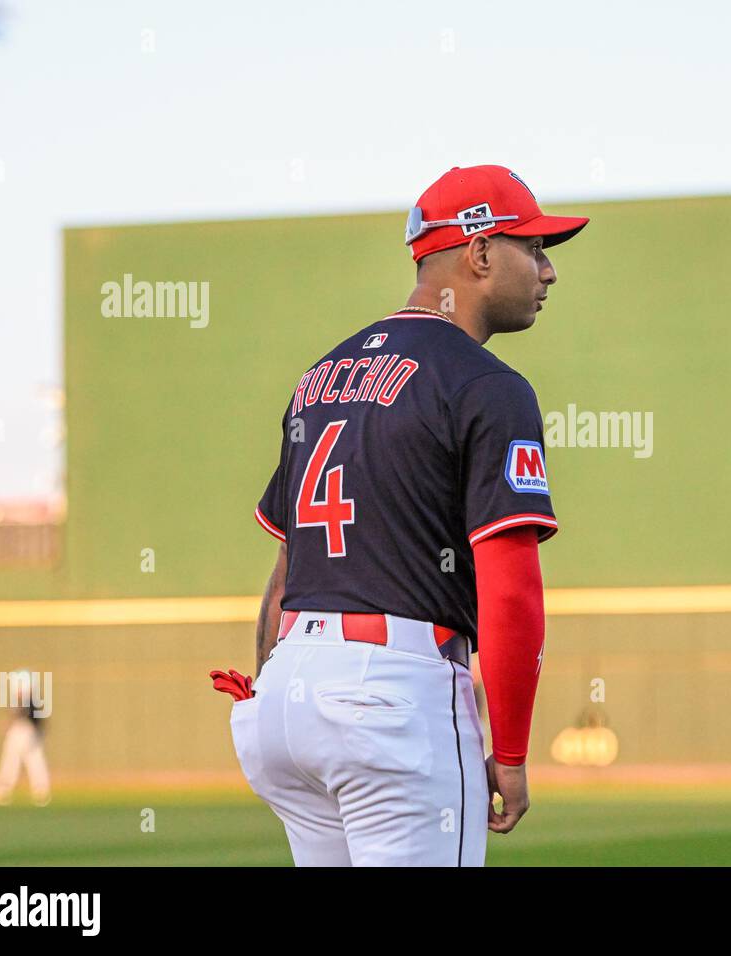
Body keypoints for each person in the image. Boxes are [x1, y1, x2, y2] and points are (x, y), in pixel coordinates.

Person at [230, 165, 587, 866]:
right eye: (534, 248)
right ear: (479, 253)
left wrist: (276, 685)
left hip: (288, 692)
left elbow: (283, 576)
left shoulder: (319, 378)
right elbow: (511, 587)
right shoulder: (488, 384)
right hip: (390, 697)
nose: (547, 272)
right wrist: (510, 752)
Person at [0, 670, 51, 807]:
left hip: (22, 731)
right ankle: (41, 790)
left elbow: (20, 714)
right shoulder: (33, 698)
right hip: (30, 732)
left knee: (13, 759)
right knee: (34, 759)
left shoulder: (26, 698)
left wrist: (8, 723)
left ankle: (4, 788)